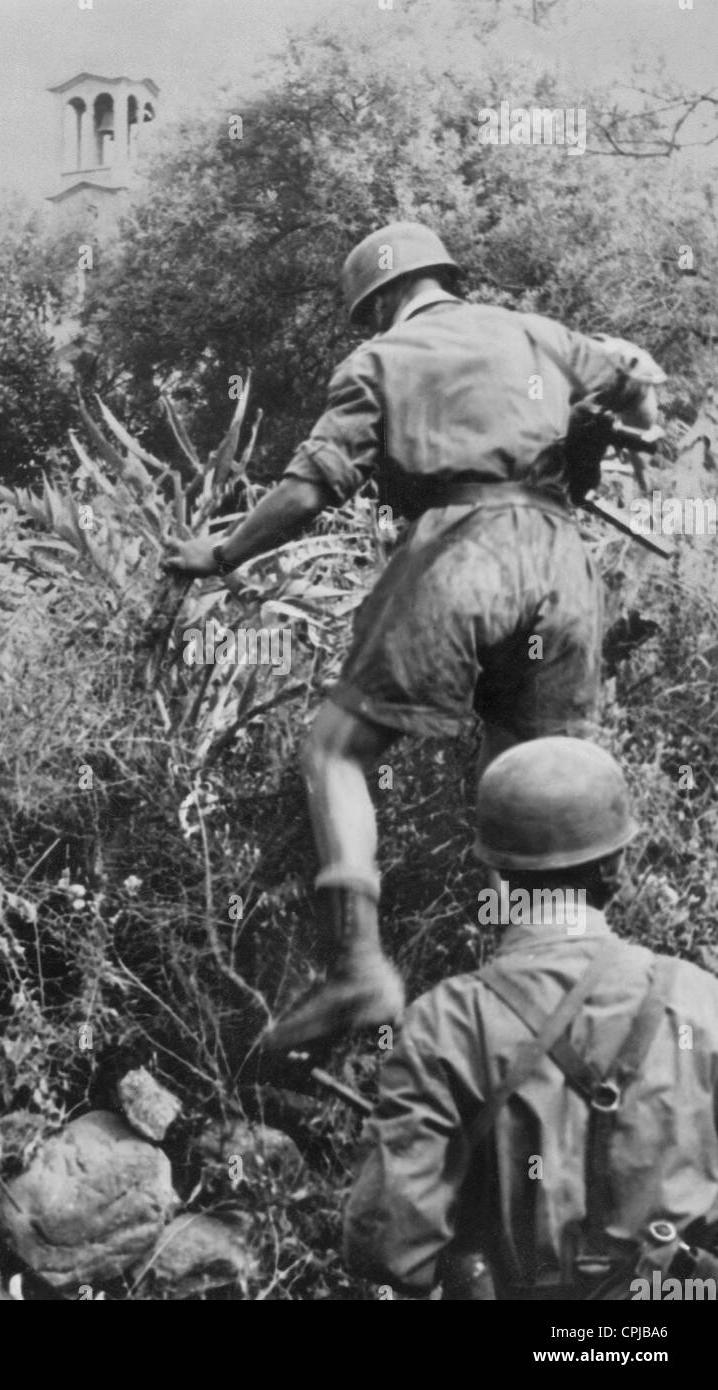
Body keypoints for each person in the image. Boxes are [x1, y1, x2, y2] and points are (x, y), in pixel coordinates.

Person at [164, 221, 665, 1053]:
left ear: (381, 300)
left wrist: (218, 553)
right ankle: (558, 996)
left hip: (459, 554)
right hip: (559, 563)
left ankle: (359, 968)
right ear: (445, 276)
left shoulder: (378, 362)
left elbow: (306, 490)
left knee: (335, 749)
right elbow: (640, 383)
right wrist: (602, 432)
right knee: (530, 779)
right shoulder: (537, 332)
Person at [343, 737, 718, 1301]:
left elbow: (387, 1245)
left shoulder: (447, 1023)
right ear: (617, 865)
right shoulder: (699, 1000)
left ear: (495, 873)